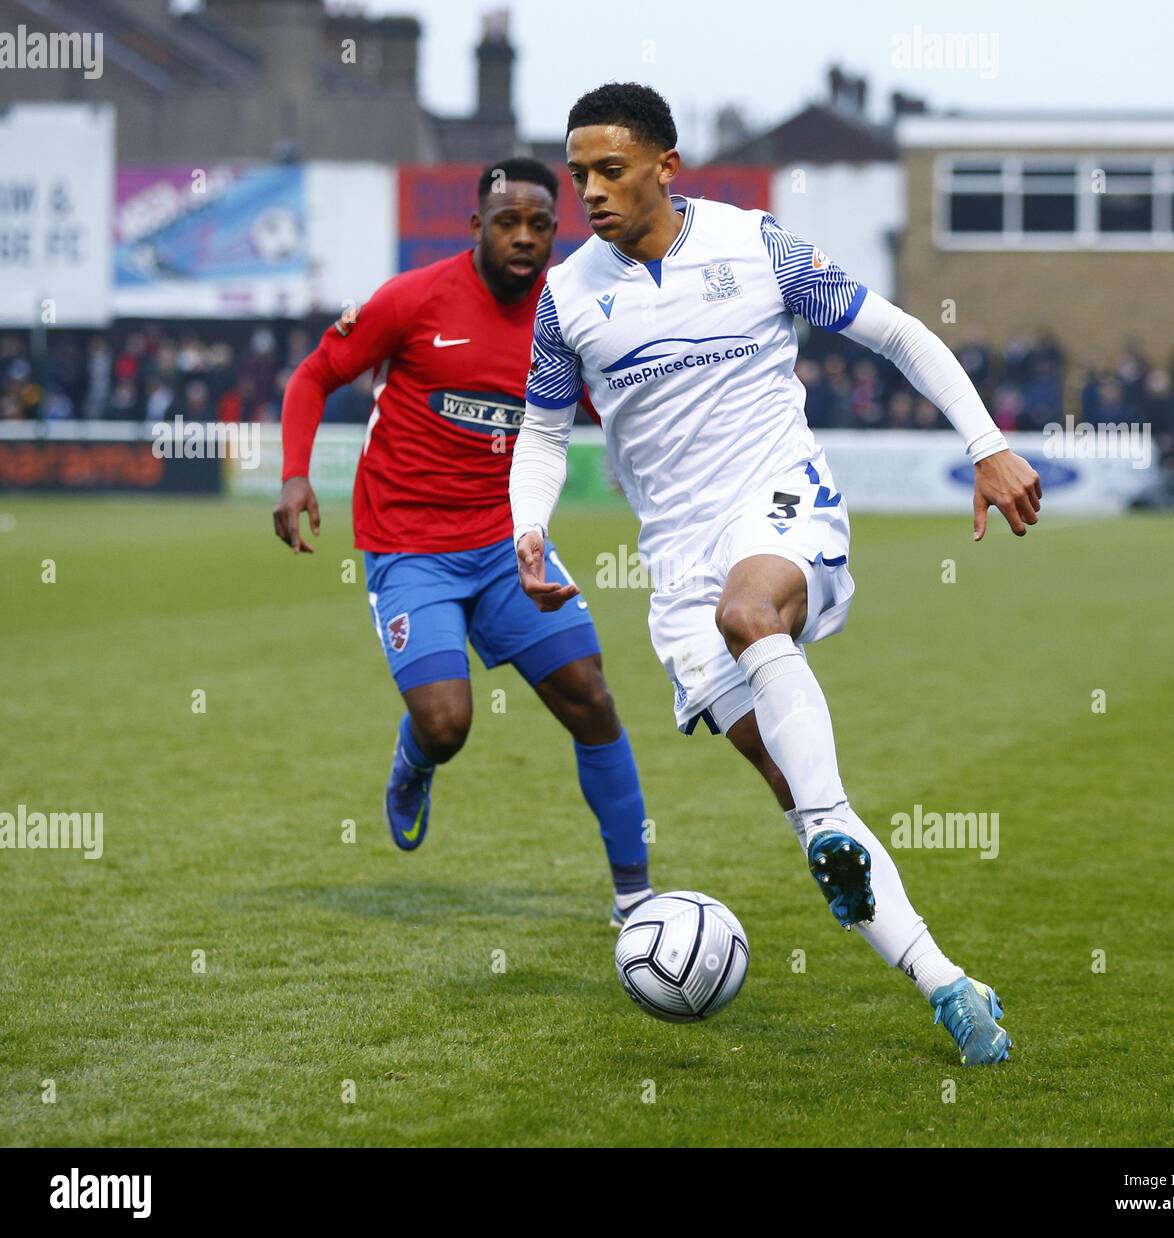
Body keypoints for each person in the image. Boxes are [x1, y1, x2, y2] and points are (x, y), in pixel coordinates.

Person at [510, 84, 1042, 1065]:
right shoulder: (567, 295)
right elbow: (544, 429)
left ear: (667, 167)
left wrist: (985, 444)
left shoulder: (758, 244)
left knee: (751, 612)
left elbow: (894, 333)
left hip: (778, 499)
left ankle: (834, 820)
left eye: (610, 169)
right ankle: (946, 984)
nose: (588, 190)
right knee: (788, 785)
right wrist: (527, 526)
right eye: (578, 172)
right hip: (674, 565)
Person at [274, 157, 655, 926]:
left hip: (506, 541)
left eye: (540, 224)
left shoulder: (568, 314)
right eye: (507, 222)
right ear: (477, 226)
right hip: (410, 543)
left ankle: (636, 898)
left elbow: (617, 405)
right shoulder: (413, 300)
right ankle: (414, 762)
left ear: (557, 230)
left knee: (592, 701)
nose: (524, 238)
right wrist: (293, 475)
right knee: (448, 723)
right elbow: (313, 376)